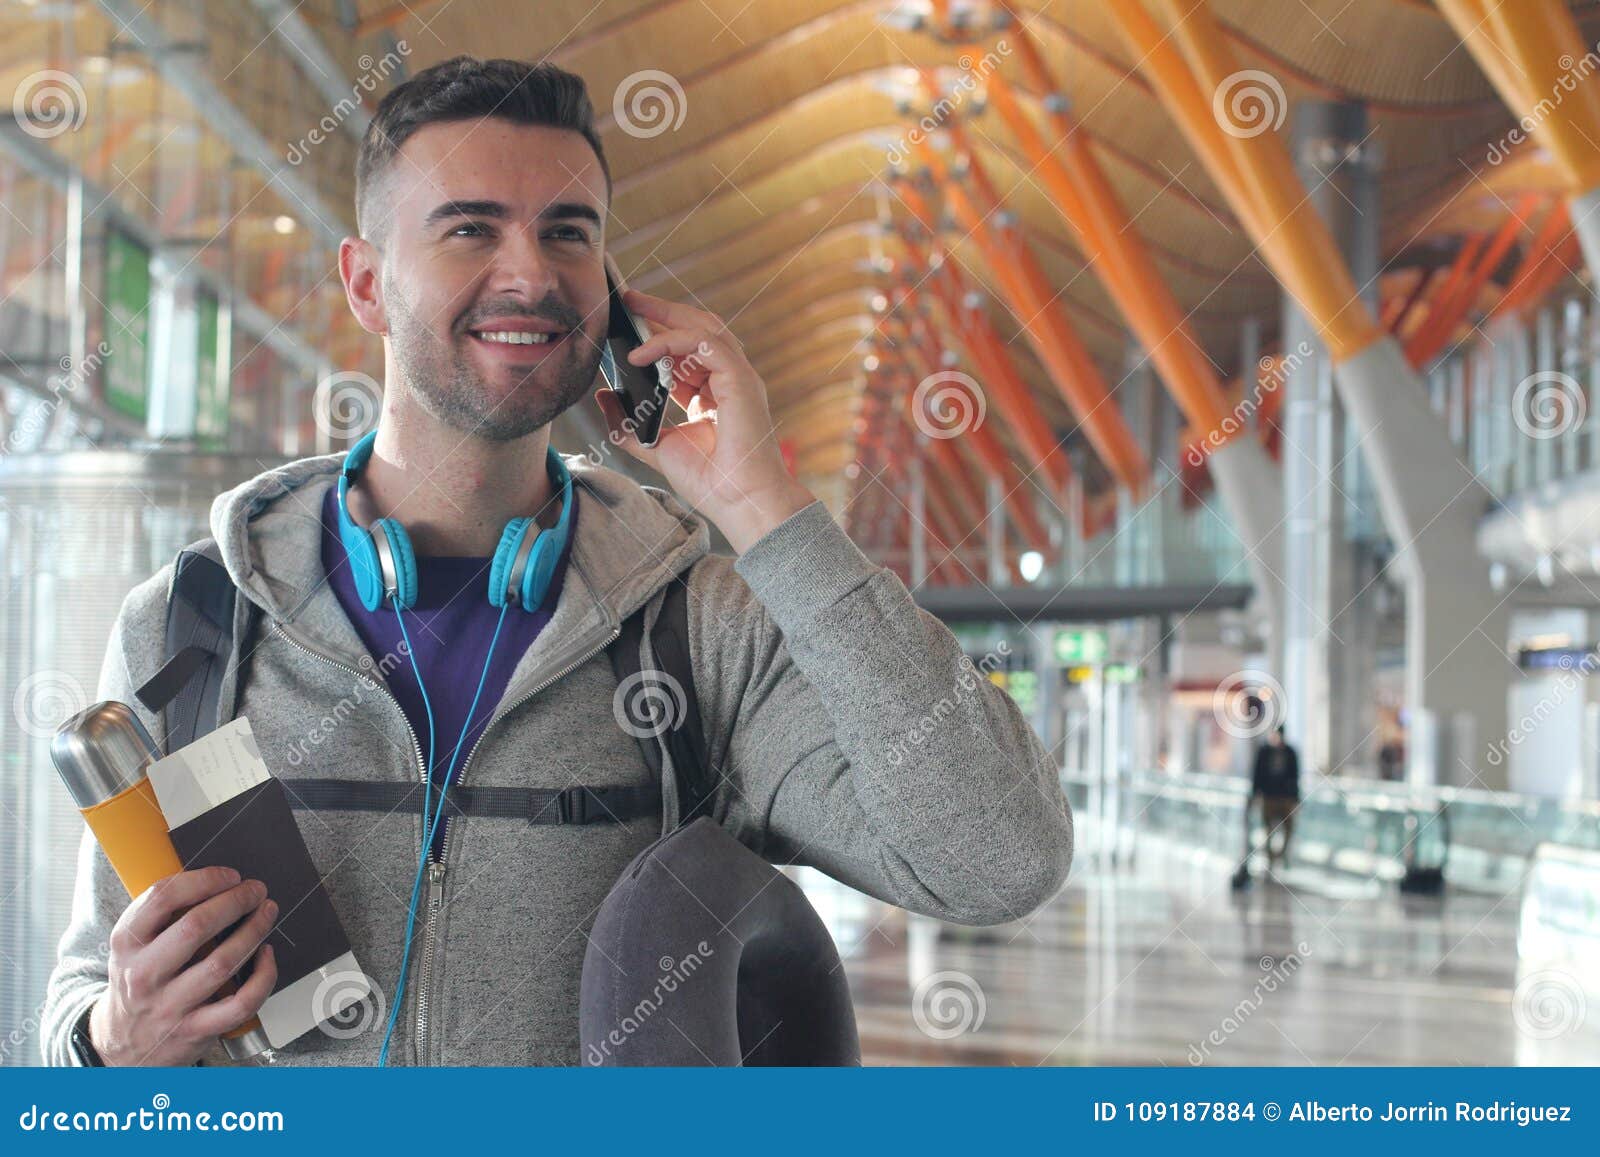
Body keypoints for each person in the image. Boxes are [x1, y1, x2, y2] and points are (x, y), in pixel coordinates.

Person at [40, 56, 1073, 1067]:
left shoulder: (695, 634)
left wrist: (763, 504)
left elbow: (998, 857)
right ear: (366, 282)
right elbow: (79, 1005)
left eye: (567, 232)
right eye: (470, 228)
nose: (530, 272)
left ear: (611, 290)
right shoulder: (199, 627)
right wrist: (114, 1037)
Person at [1250, 726, 1301, 868]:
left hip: (1285, 798)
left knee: (1289, 829)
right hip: (1269, 797)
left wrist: (1296, 798)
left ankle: (1280, 855)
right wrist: (1255, 795)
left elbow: (1295, 776)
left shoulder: (1290, 753)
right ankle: (1270, 859)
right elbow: (1257, 775)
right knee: (1268, 830)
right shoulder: (1264, 752)